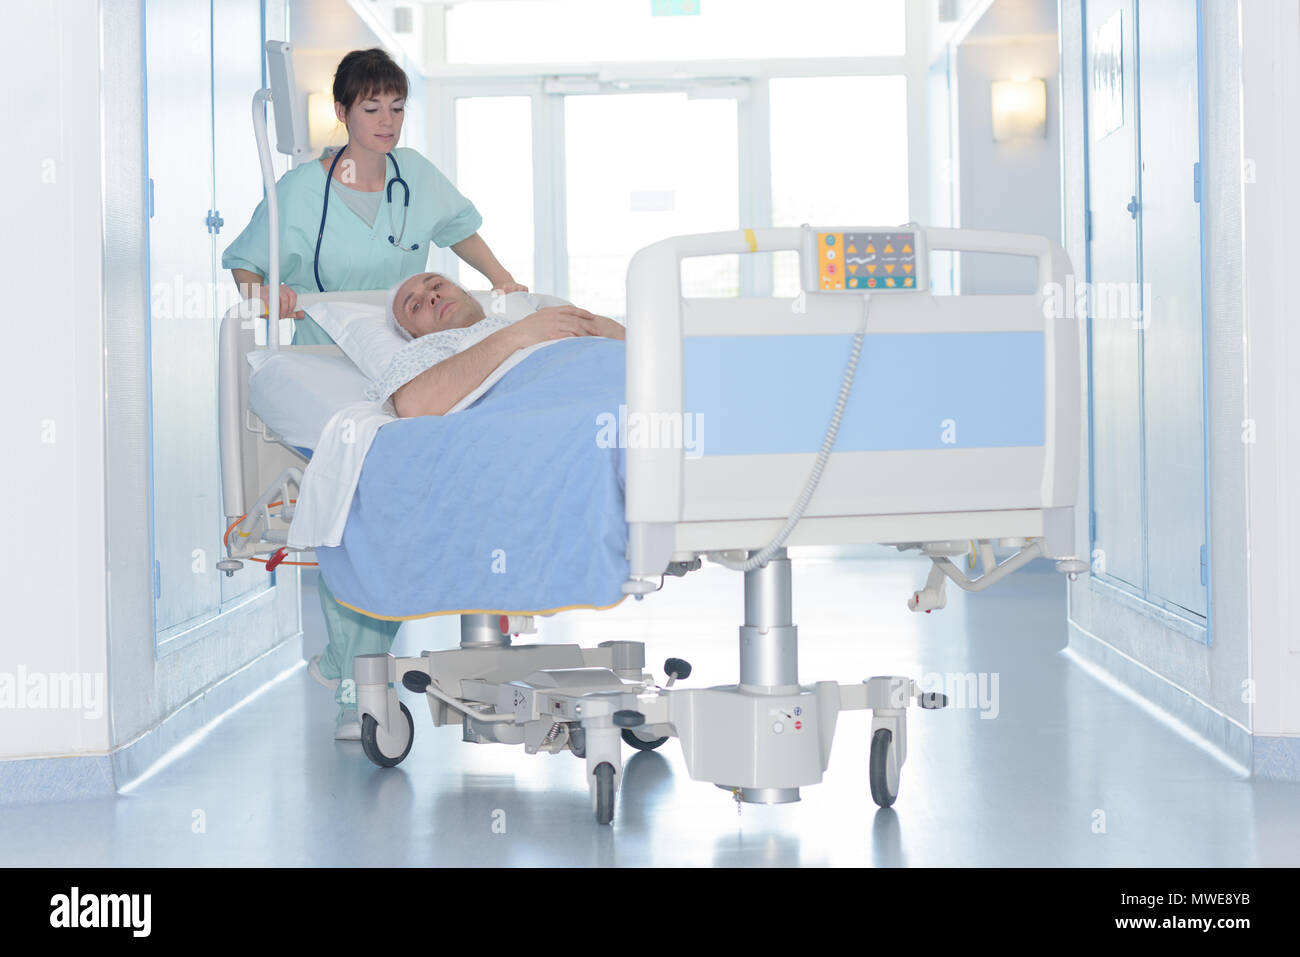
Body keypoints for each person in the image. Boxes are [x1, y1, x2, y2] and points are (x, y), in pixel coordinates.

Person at [221, 48, 526, 741]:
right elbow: (243, 264)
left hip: (398, 357)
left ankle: (356, 659)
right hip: (324, 358)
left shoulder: (413, 177)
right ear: (341, 113)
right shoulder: (301, 191)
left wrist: (504, 279)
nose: (386, 122)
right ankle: (359, 670)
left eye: (396, 107)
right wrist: (269, 292)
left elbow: (460, 232)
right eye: (371, 108)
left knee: (398, 490)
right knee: (361, 493)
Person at [375, 272, 624, 418]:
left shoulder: (531, 322)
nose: (432, 296)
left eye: (437, 285)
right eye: (415, 306)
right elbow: (415, 405)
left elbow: (626, 340)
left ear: (469, 295)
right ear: (414, 335)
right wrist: (517, 335)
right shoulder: (421, 352)